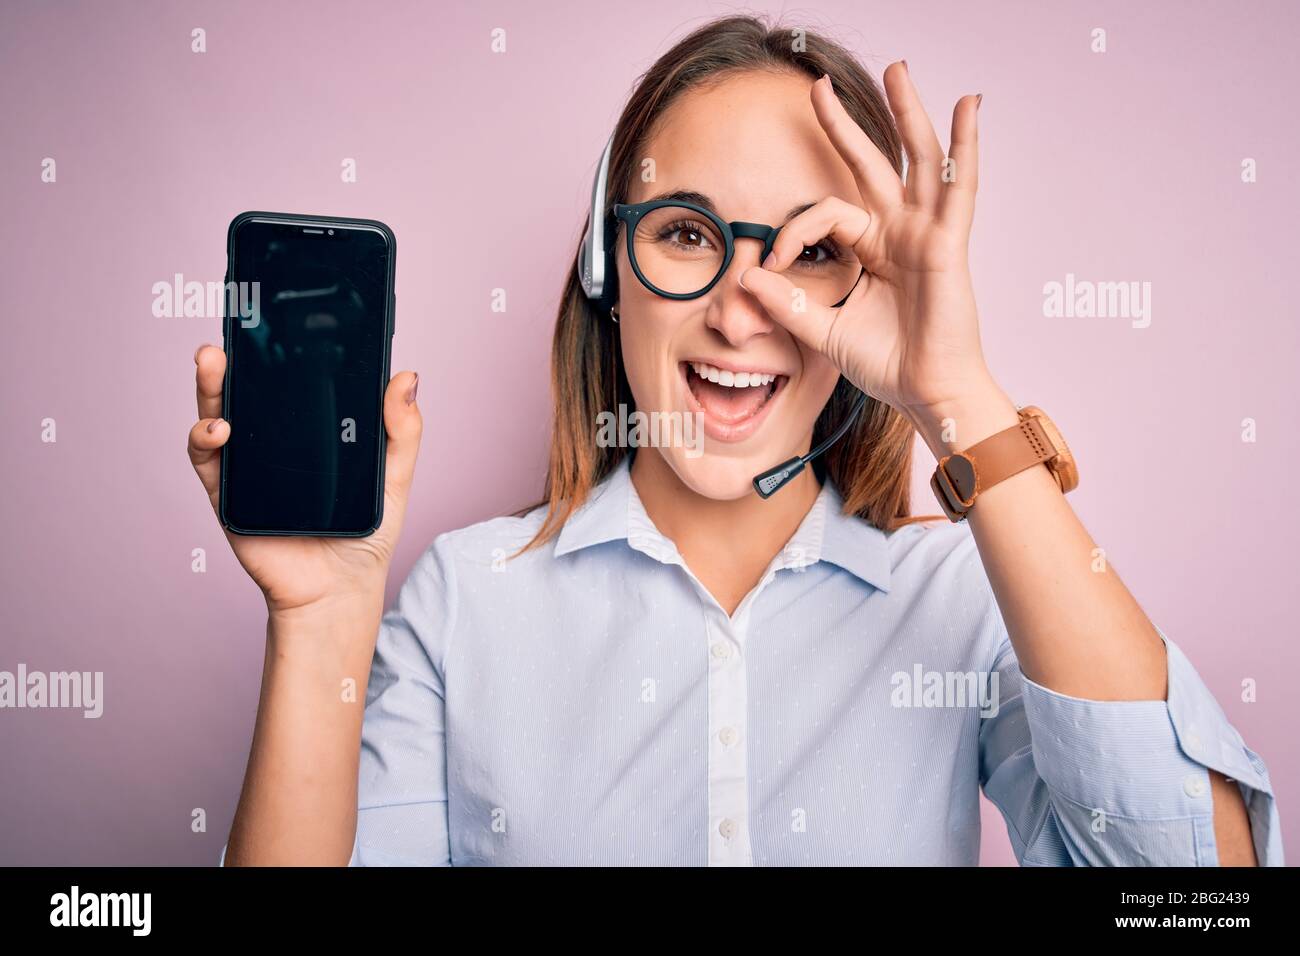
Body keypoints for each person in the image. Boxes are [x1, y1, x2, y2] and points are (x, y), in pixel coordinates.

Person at [190, 15, 1279, 866]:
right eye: (685, 233)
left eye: (810, 251)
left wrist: (956, 393)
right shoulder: (462, 600)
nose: (741, 309)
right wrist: (323, 618)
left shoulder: (962, 595)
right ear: (606, 276)